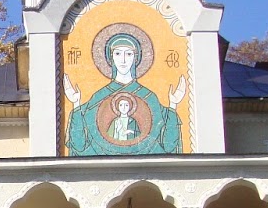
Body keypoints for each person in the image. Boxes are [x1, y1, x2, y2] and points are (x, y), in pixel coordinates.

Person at [64, 27, 183, 155]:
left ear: (136, 58)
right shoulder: (99, 97)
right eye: (118, 53)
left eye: (129, 54)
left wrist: (173, 105)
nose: (123, 60)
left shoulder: (149, 97)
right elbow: (79, 145)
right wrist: (76, 103)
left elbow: (168, 145)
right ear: (111, 58)